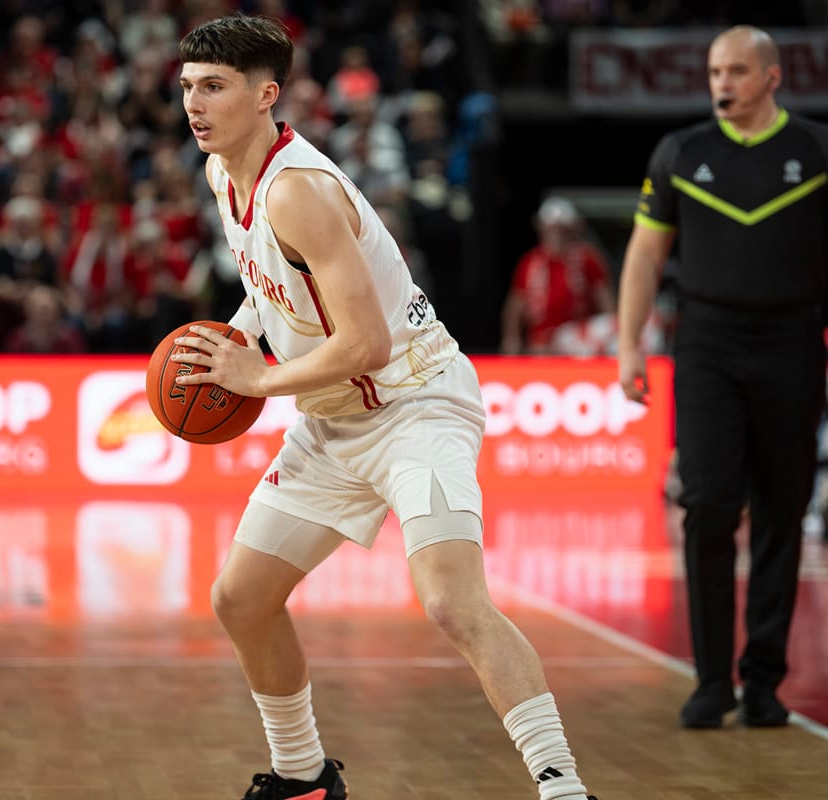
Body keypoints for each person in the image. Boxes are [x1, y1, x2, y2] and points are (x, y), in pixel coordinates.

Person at [174, 15, 596, 800]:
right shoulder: (222, 174)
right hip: (334, 418)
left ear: (266, 95)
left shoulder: (299, 190)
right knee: (241, 599)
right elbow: (272, 288)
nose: (195, 104)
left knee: (450, 602)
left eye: (215, 87)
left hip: (414, 406)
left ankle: (563, 787)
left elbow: (366, 343)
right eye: (189, 87)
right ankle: (302, 775)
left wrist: (253, 381)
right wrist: (228, 338)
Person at [617, 25, 828, 730]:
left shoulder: (815, 151)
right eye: (714, 72)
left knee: (782, 508)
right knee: (707, 504)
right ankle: (712, 680)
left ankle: (763, 680)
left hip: (795, 339)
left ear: (772, 77)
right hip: (706, 343)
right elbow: (645, 258)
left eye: (736, 71)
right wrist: (629, 348)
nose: (721, 84)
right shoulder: (681, 152)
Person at [501, 197, 613, 355]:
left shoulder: (588, 258)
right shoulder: (530, 261)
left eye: (562, 229)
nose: (556, 235)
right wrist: (511, 339)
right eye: (551, 229)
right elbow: (514, 306)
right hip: (539, 346)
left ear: (572, 230)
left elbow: (604, 300)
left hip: (578, 346)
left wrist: (610, 335)